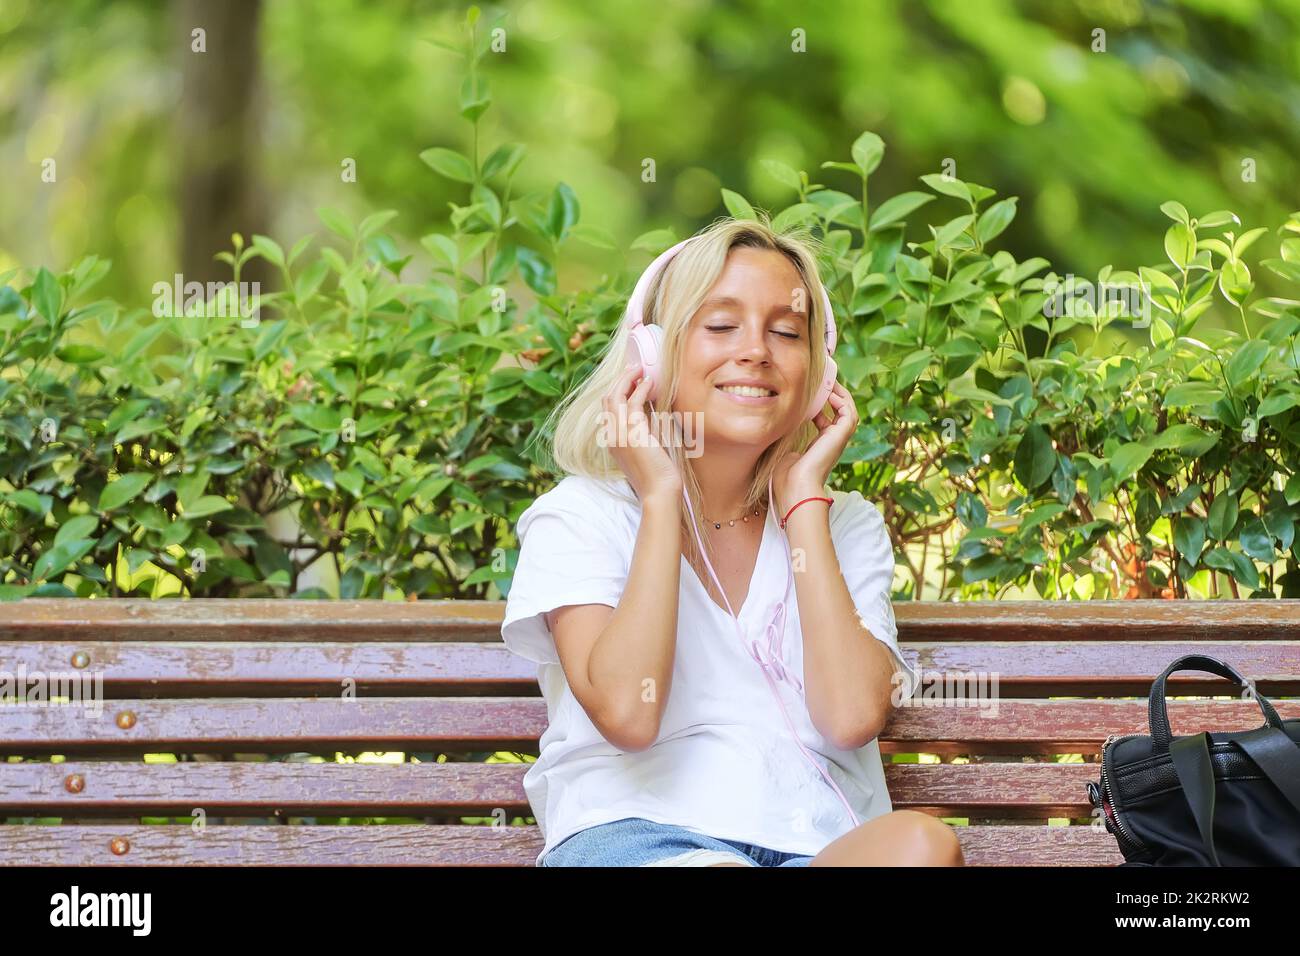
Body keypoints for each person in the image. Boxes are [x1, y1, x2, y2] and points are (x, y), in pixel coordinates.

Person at [501, 214, 964, 867]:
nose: (756, 351)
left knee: (921, 846)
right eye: (721, 326)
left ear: (818, 373)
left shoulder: (843, 522)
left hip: (815, 846)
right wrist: (661, 498)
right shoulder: (580, 517)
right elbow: (629, 717)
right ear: (652, 356)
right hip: (637, 840)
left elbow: (851, 716)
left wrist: (803, 499)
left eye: (785, 331)